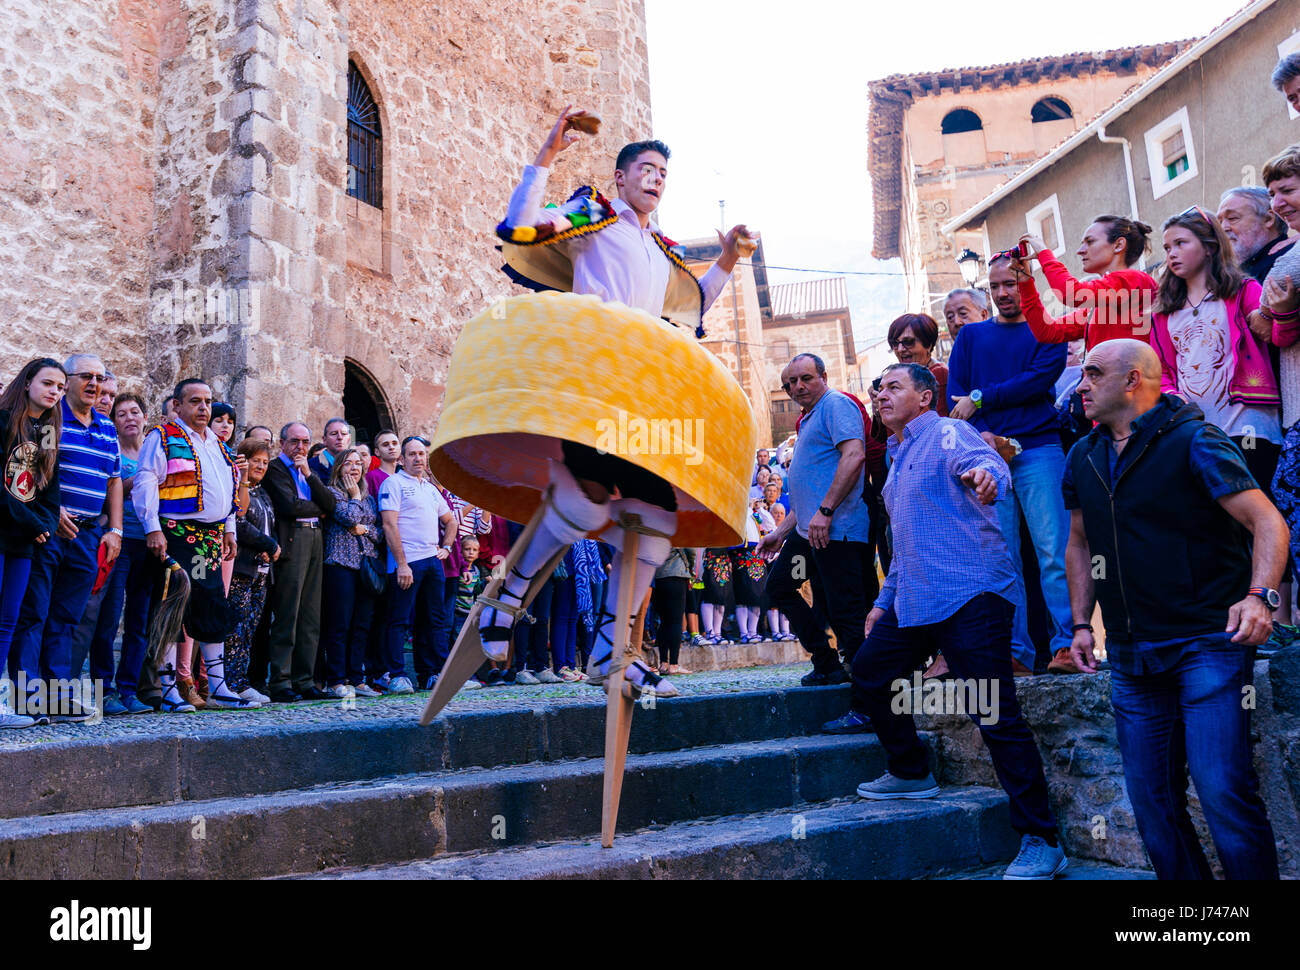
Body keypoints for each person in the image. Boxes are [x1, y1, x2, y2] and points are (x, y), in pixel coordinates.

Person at [473, 106, 753, 700]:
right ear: (620, 178)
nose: (655, 179)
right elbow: (518, 228)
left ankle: (613, 654)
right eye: (646, 169)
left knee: (653, 523)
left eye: (663, 174)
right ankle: (505, 601)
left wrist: (725, 259)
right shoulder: (593, 213)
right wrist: (546, 155)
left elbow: (689, 310)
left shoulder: (663, 249)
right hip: (594, 378)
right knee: (582, 498)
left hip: (643, 391)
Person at [826, 362, 1067, 879]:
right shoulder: (896, 455)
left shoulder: (947, 431)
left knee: (994, 714)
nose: (881, 395)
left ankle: (1041, 839)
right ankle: (911, 771)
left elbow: (988, 462)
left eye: (894, 387)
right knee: (870, 674)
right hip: (914, 599)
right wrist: (882, 601)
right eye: (878, 388)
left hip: (971, 592)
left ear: (925, 396)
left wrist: (987, 475)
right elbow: (906, 543)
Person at [1063, 339, 1281, 879]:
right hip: (1132, 659)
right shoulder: (1082, 455)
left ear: (1133, 379)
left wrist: (1260, 597)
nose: (1081, 384)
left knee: (1223, 792)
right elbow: (1079, 542)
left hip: (1205, 644)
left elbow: (1268, 521)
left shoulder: (1195, 440)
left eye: (1093, 373)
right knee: (1152, 804)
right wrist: (1079, 624)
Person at [947, 257, 1074, 675]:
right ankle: (1017, 653)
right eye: (996, 285)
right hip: (987, 456)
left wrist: (982, 399)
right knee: (1003, 558)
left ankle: (1068, 646)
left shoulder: (1049, 331)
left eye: (1013, 284)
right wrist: (986, 439)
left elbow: (1035, 383)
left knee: (1054, 552)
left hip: (1038, 450)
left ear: (1030, 284)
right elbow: (955, 398)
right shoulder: (969, 338)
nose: (1004, 293)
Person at [12, 354, 122, 722]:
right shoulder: (50, 423)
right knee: (35, 613)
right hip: (50, 530)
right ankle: (26, 697)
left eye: (100, 378)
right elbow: (38, 469)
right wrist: (52, 511)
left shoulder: (107, 428)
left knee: (67, 617)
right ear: (68, 381)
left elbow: (114, 480)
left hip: (89, 533)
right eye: (86, 376)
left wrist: (115, 529)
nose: (95, 384)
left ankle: (57, 697)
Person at [134, 378, 253, 712]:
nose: (204, 408)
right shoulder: (163, 437)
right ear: (178, 405)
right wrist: (152, 528)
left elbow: (227, 491)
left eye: (208, 401)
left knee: (209, 603)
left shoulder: (216, 443)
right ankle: (169, 689)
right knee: (173, 608)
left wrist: (229, 529)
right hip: (174, 535)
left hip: (207, 541)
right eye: (196, 401)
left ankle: (218, 687)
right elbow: (146, 480)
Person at [1148, 206, 1281, 502]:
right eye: (1167, 247)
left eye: (1181, 243)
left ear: (1209, 247)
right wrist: (1172, 394)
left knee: (1256, 513)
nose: (1171, 253)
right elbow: (1162, 371)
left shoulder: (1244, 289)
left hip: (1249, 423)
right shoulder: (1163, 311)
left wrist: (1284, 310)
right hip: (1197, 430)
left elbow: (1276, 335)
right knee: (1217, 524)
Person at [757, 353, 874, 686]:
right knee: (780, 586)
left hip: (837, 532)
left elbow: (855, 456)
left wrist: (826, 512)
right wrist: (780, 531)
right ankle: (826, 662)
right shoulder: (808, 419)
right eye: (790, 382)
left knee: (845, 612)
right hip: (808, 536)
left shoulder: (836, 406)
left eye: (805, 378)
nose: (797, 386)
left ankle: (867, 701)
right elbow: (809, 488)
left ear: (823, 375)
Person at [0, 358, 65, 729]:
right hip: (4, 530)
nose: (55, 391)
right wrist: (33, 523)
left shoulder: (46, 431)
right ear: (27, 383)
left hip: (24, 540)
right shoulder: (4, 421)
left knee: (9, 619)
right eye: (48, 383)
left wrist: (46, 522)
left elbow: (48, 485)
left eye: (59, 386)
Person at [86, 393, 157, 715]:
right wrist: (136, 482)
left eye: (135, 412)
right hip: (119, 542)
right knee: (108, 619)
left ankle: (130, 690)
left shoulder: (156, 453)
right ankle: (105, 690)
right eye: (122, 413)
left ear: (145, 417)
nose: (129, 417)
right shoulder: (111, 450)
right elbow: (104, 496)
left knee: (139, 622)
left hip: (150, 544)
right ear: (114, 422)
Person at [262, 421, 337, 702]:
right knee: (288, 612)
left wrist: (309, 475)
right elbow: (290, 506)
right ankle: (280, 681)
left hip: (315, 539)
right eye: (294, 441)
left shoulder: (309, 469)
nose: (300, 447)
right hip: (293, 541)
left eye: (305, 442)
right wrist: (320, 509)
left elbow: (332, 503)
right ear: (282, 443)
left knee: (310, 614)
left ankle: (305, 680)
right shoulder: (275, 469)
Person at [378, 436, 457, 692]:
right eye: (412, 454)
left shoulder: (431, 488)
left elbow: (451, 520)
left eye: (422, 454)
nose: (418, 459)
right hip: (407, 562)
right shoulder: (394, 483)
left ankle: (432, 674)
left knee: (434, 619)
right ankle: (397, 674)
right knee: (399, 619)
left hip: (433, 561)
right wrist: (401, 564)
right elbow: (389, 524)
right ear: (402, 459)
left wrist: (446, 547)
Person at [1016, 217, 1157, 351]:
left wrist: (1044, 253)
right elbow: (1047, 332)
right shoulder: (1098, 308)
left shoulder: (1134, 279)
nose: (1080, 251)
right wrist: (1025, 281)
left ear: (1119, 245)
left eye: (1090, 242)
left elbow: (1071, 294)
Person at [321, 447, 382, 698]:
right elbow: (347, 517)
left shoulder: (369, 497)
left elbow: (378, 532)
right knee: (339, 625)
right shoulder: (332, 492)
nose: (354, 468)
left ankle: (357, 679)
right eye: (348, 463)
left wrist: (365, 530)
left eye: (358, 463)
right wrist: (355, 496)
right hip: (340, 565)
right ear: (338, 467)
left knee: (361, 625)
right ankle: (336, 680)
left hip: (365, 566)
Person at [226, 437, 277, 706]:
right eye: (256, 460)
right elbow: (240, 522)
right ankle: (230, 683)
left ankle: (241, 681)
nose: (261, 465)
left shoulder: (264, 492)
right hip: (241, 568)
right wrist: (268, 544)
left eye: (265, 462)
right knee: (235, 627)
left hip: (262, 571)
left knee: (250, 629)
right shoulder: (240, 487)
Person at [1218, 186, 1294, 285]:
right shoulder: (1230, 275)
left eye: (1232, 218)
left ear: (1268, 219)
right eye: (1219, 222)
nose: (1223, 228)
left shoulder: (1292, 262)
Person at [887, 313, 948, 416]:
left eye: (908, 342)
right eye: (895, 343)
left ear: (928, 344)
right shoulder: (895, 379)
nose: (900, 349)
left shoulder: (938, 375)